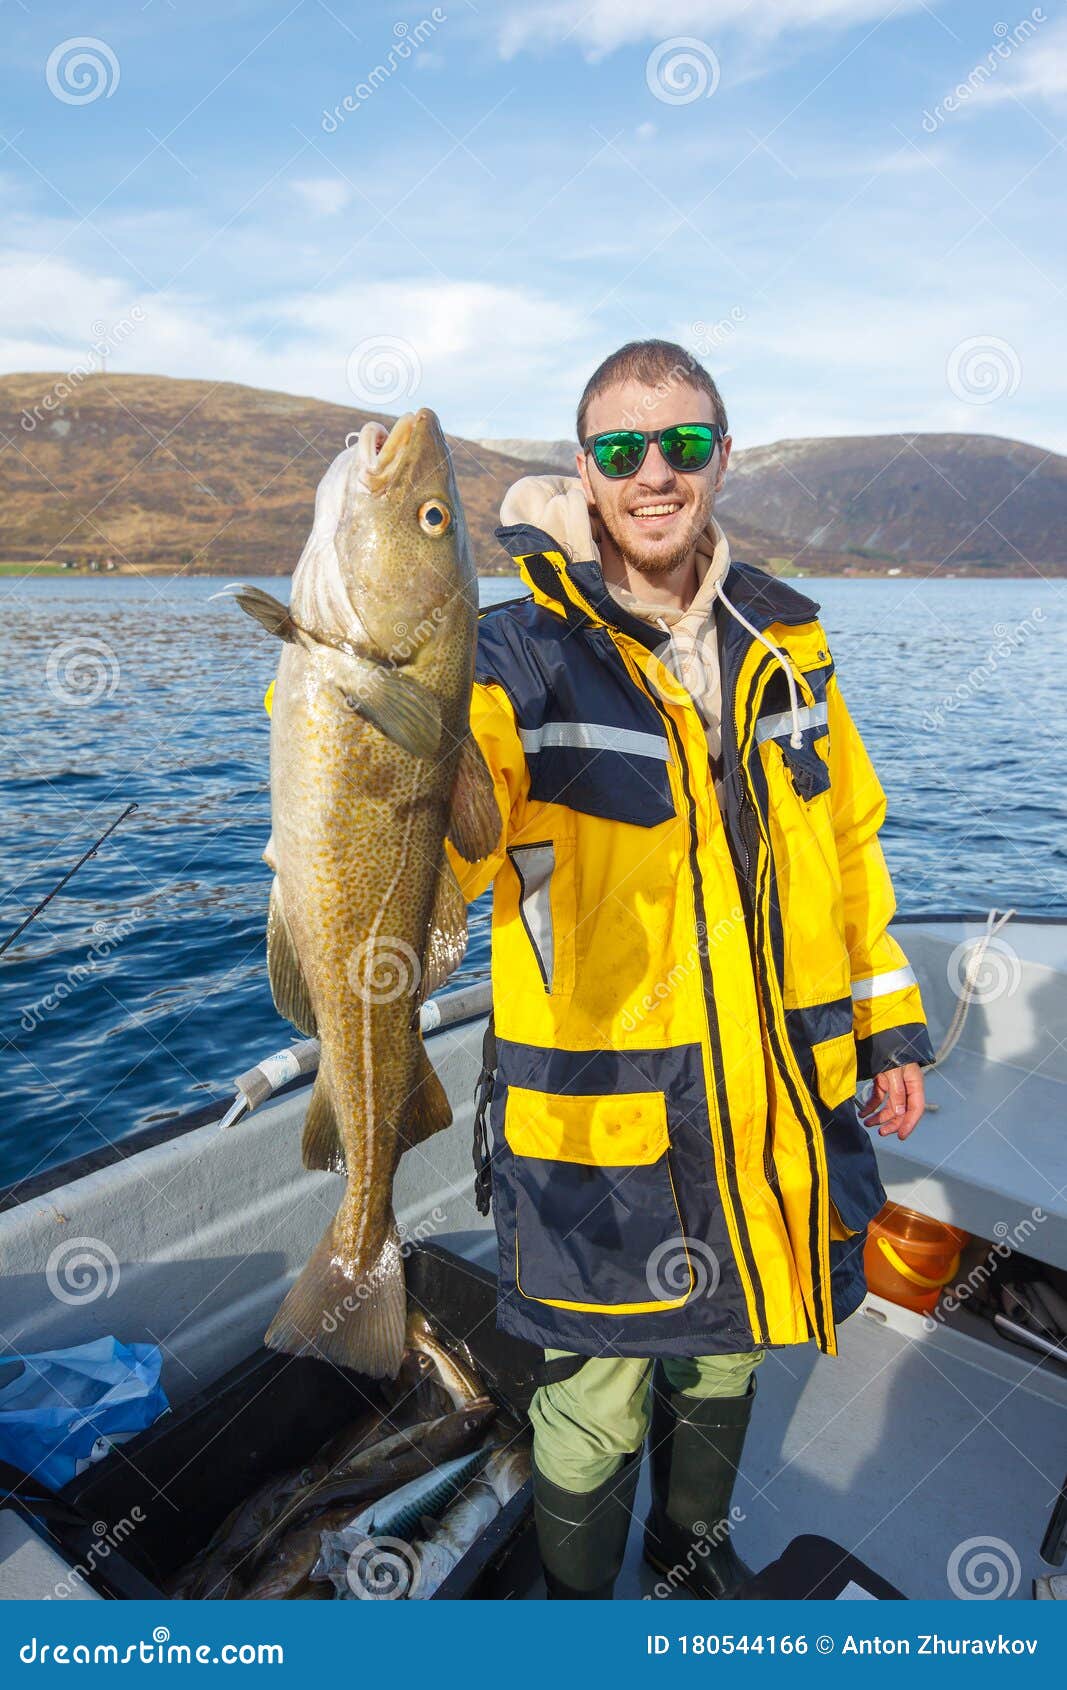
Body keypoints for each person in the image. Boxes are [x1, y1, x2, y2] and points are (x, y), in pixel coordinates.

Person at [446, 339, 933, 1599]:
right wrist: (361, 692)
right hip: (603, 1128)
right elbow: (440, 808)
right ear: (584, 473)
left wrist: (884, 1028)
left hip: (775, 1099)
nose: (651, 472)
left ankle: (687, 1569)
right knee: (596, 1400)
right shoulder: (509, 658)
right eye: (620, 449)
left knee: (729, 1351)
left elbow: (845, 840)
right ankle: (574, 1619)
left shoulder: (788, 639)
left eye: (681, 445)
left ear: (719, 458)